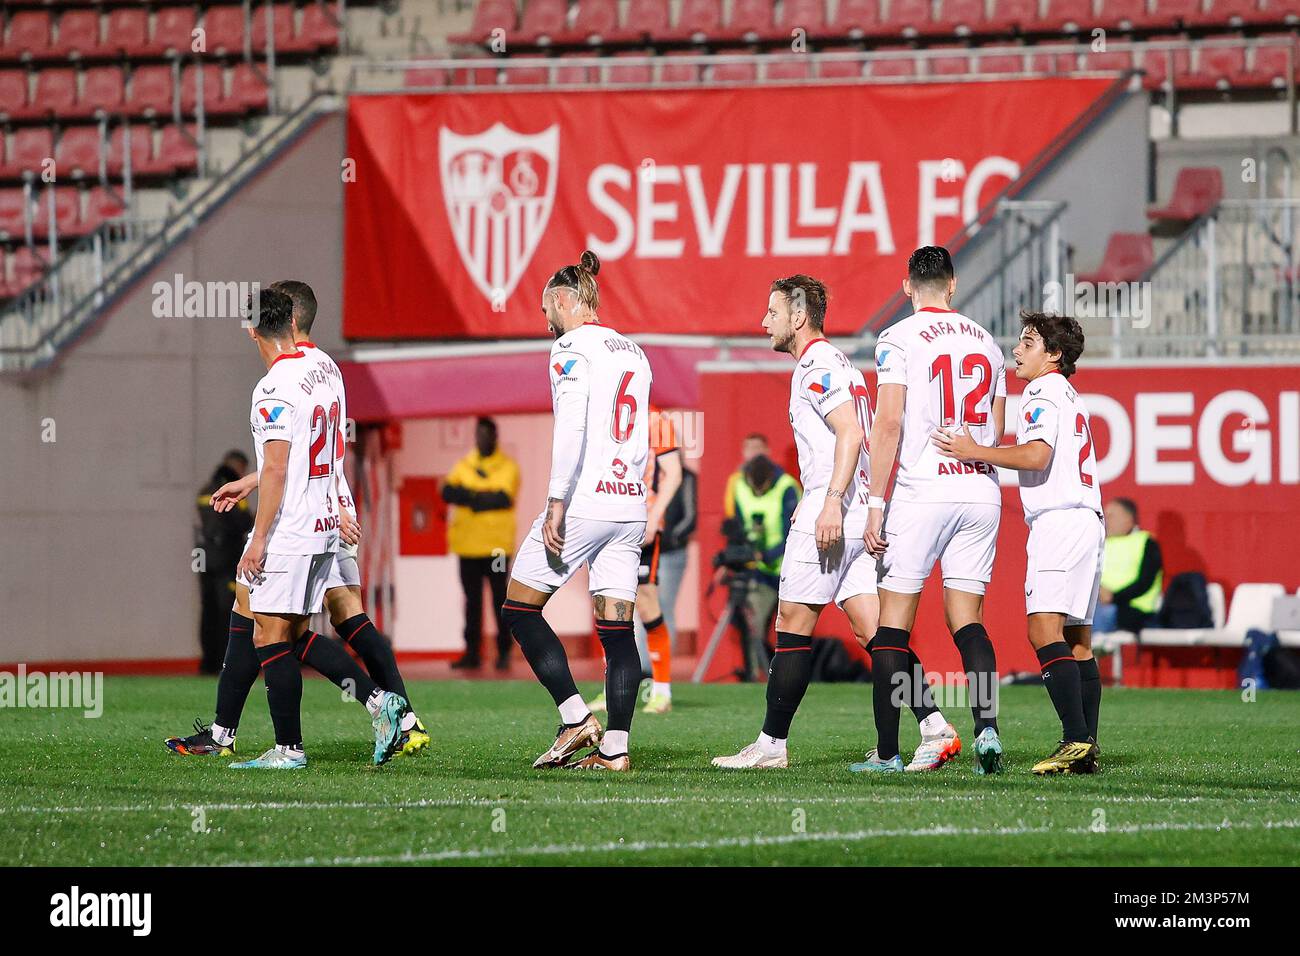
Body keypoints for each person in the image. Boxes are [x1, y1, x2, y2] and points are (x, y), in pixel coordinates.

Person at [166, 281, 428, 762]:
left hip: (293, 524)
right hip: (324, 517)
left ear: (252, 330)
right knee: (257, 615)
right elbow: (318, 449)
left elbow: (280, 466)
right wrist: (260, 484)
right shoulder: (325, 367)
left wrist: (258, 539)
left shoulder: (272, 386)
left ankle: (315, 736)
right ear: (290, 320)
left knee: (278, 633)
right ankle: (224, 733)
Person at [712, 274, 954, 771]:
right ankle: (934, 725)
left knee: (791, 624)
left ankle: (771, 745)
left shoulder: (815, 365)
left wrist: (830, 501)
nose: (764, 322)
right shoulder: (840, 362)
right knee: (875, 631)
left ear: (798, 317)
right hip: (857, 514)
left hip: (833, 514)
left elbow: (848, 433)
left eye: (773, 313)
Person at [500, 250, 651, 772]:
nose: (546, 321)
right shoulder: (635, 352)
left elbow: (572, 426)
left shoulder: (569, 348)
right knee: (618, 631)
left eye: (547, 308)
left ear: (564, 300)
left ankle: (574, 718)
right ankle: (615, 749)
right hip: (629, 503)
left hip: (586, 501)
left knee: (519, 609)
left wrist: (556, 502)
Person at [935, 311, 1103, 775]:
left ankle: (1075, 740)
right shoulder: (1068, 394)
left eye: (1028, 343)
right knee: (1077, 640)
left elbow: (1036, 454)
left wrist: (974, 451)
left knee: (1043, 631)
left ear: (1054, 354)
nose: (1016, 350)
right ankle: (1085, 748)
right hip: (1087, 518)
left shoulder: (1041, 392)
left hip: (1059, 521)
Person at [863, 246, 1005, 775]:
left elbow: (889, 423)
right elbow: (995, 428)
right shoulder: (988, 342)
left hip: (924, 491)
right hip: (980, 489)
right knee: (968, 620)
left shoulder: (896, 338)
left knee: (891, 626)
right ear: (953, 284)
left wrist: (875, 503)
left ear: (907, 287)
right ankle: (987, 728)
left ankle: (887, 753)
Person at [589, 403, 682, 714]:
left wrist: (655, 515)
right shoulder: (600, 414)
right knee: (606, 603)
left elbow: (674, 473)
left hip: (641, 524)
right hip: (606, 522)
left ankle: (662, 690)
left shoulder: (654, 418)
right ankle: (611, 688)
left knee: (646, 602)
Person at [442, 417, 521, 670]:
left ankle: (504, 652)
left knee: (500, 599)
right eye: (478, 434)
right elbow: (447, 492)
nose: (482, 439)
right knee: (471, 601)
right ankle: (472, 653)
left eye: (486, 435)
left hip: (497, 547)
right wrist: (481, 496)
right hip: (467, 546)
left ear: (495, 437)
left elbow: (502, 499)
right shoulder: (464, 464)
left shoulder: (507, 466)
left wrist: (468, 495)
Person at [730, 452, 798, 680]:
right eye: (754, 487)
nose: (758, 492)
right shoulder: (740, 487)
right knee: (754, 625)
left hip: (789, 568)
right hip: (760, 572)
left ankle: (788, 676)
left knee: (792, 627)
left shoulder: (787, 487)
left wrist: (768, 554)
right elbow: (738, 526)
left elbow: (793, 532)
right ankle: (754, 675)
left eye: (763, 487)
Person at [195, 450, 252, 675]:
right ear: (238, 467)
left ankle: (208, 662)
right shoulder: (233, 492)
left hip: (204, 558)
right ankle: (224, 662)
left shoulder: (205, 490)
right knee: (227, 610)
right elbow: (244, 522)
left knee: (207, 610)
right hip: (226, 559)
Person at [1095, 497, 1163, 634]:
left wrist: (1113, 597)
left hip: (1133, 608)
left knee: (1102, 614)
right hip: (1099, 604)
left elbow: (1145, 582)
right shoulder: (1099, 543)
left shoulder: (1146, 542)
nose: (1105, 520)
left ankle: (1091, 646)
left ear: (1128, 519)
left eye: (1111, 516)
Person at [724, 433, 773, 519]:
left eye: (757, 447)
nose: (753, 452)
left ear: (767, 450)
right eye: (749, 448)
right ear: (743, 452)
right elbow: (730, 511)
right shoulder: (735, 481)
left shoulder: (781, 479)